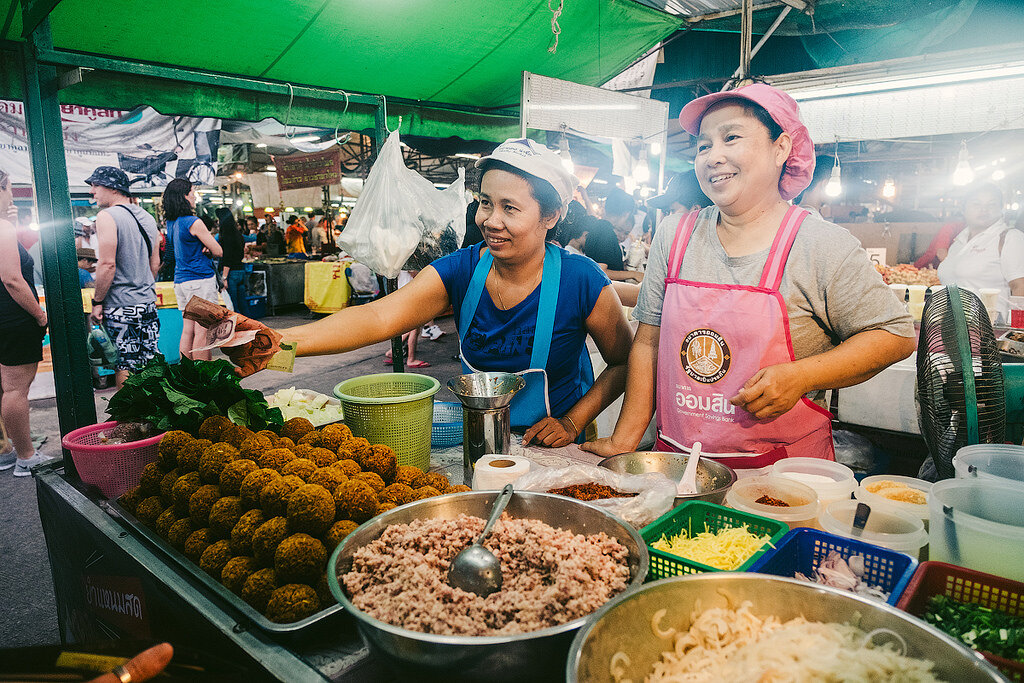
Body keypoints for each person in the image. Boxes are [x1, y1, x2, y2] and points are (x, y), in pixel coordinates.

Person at [583, 84, 916, 468]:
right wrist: (624, 440)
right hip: (676, 468)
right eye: (704, 146)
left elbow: (894, 335)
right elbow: (648, 344)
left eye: (731, 138)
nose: (713, 157)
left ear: (781, 148)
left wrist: (802, 376)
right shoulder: (674, 235)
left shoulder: (820, 244)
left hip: (782, 477)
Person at [226, 138, 633, 447]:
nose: (490, 220)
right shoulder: (462, 269)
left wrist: (572, 422)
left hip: (557, 444)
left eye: (510, 208)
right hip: (480, 438)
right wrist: (277, 343)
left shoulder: (581, 280)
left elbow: (622, 363)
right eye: (485, 203)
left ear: (551, 215)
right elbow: (378, 318)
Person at [87, 166, 161, 389]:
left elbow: (107, 264)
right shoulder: (147, 217)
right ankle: (150, 420)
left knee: (125, 366)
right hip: (147, 304)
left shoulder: (107, 216)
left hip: (121, 306)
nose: (92, 191)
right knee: (148, 366)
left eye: (95, 185)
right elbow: (155, 264)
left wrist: (98, 301)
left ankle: (128, 421)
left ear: (112, 187)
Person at [0, 166, 51, 477]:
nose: (11, 195)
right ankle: (26, 457)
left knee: (6, 388)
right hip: (14, 317)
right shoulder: (2, 229)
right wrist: (39, 314)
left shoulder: (6, 227)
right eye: (8, 188)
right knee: (16, 389)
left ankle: (9, 452)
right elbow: (12, 279)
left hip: (2, 318)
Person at [937, 182, 1024, 324]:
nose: (984, 210)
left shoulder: (1010, 237)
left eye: (992, 204)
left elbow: (1020, 286)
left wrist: (1017, 330)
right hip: (953, 328)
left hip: (990, 330)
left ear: (1001, 209)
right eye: (976, 204)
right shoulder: (958, 242)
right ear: (963, 209)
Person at [163, 177, 222, 361]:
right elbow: (218, 251)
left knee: (188, 330)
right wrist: (207, 248)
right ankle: (201, 377)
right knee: (203, 331)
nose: (194, 196)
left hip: (181, 281)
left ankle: (186, 374)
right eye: (192, 192)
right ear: (184, 196)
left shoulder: (171, 224)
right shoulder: (193, 222)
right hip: (200, 280)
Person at [585, 191, 644, 282]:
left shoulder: (601, 227)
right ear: (626, 214)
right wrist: (634, 274)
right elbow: (601, 271)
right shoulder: (605, 232)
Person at [215, 208, 246, 315]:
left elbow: (227, 258)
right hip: (241, 271)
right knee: (242, 303)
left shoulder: (226, 236)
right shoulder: (238, 234)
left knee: (233, 305)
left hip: (231, 273)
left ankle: (238, 328)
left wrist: (224, 277)